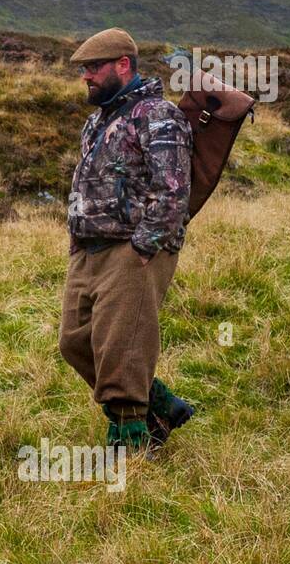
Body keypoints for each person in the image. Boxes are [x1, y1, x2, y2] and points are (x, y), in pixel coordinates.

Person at [58, 28, 196, 452]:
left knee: (123, 351)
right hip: (88, 250)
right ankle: (162, 405)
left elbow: (174, 190)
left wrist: (143, 247)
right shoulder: (96, 120)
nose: (87, 76)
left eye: (94, 67)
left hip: (133, 250)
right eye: (84, 69)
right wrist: (77, 243)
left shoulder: (159, 115)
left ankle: (132, 450)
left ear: (123, 65)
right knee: (74, 342)